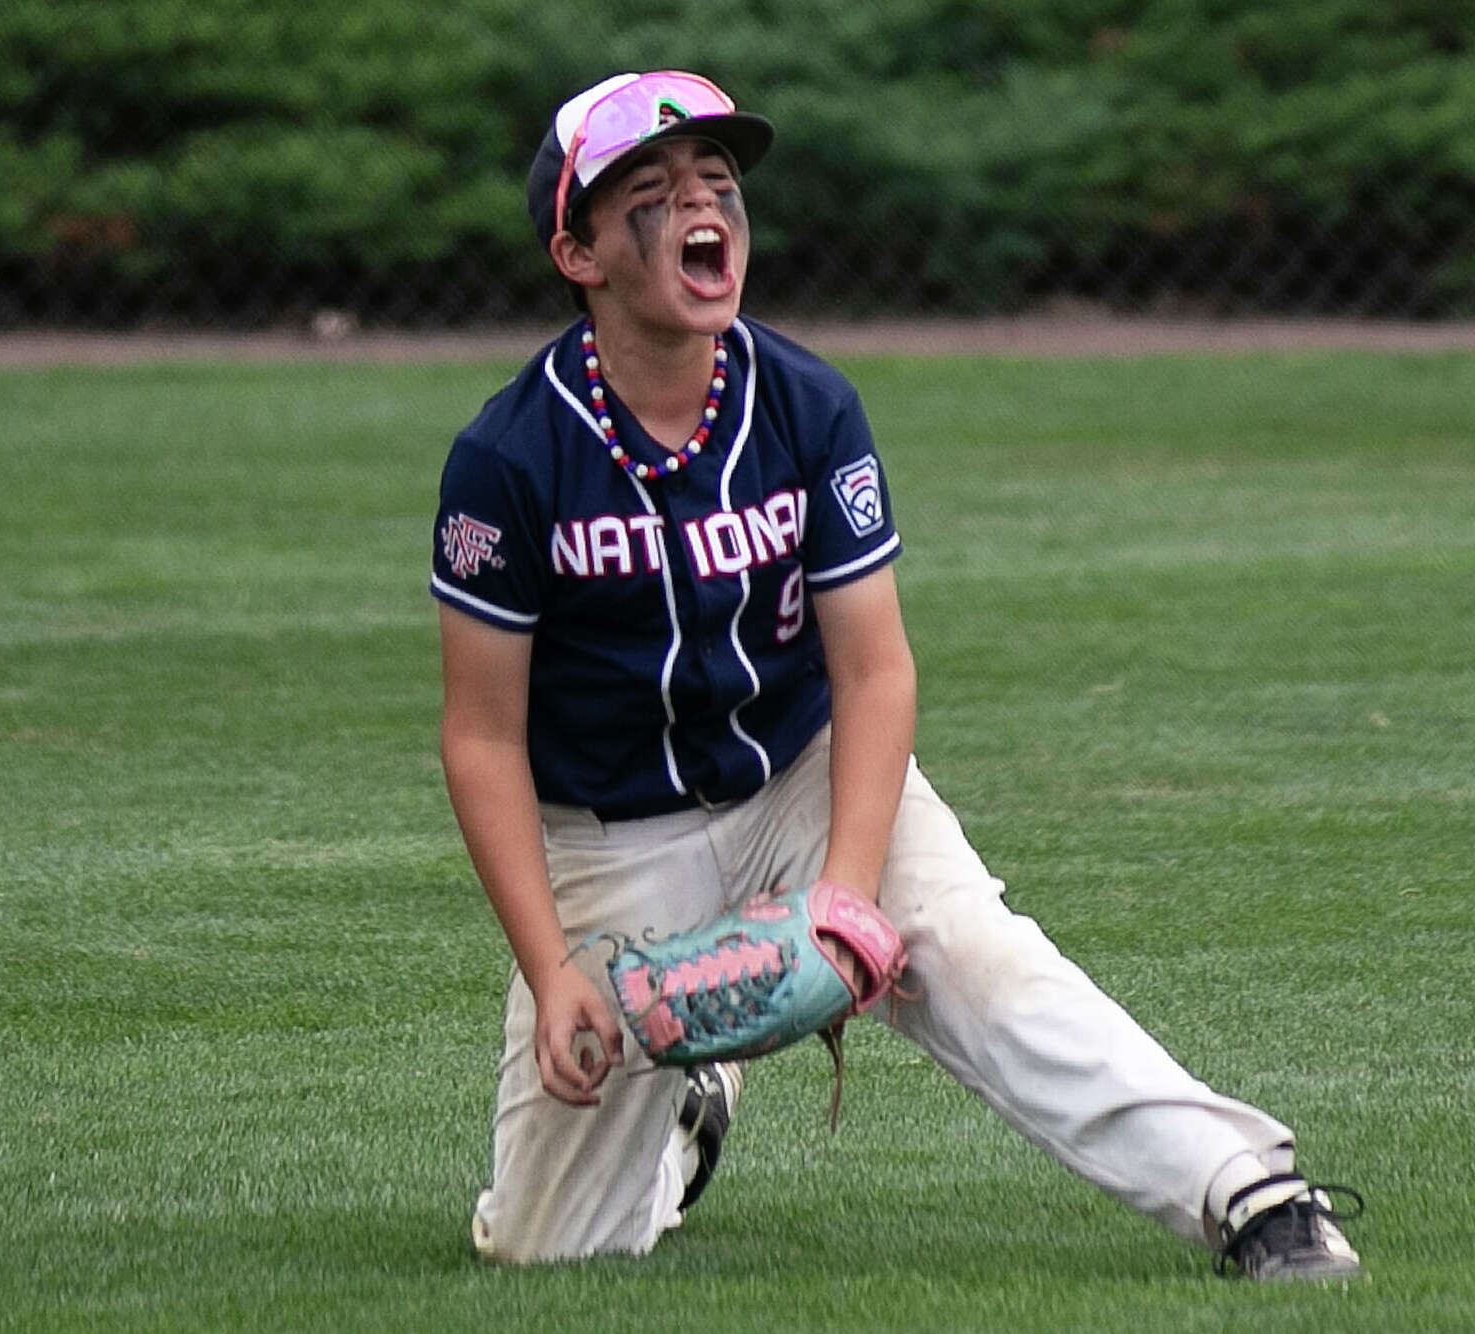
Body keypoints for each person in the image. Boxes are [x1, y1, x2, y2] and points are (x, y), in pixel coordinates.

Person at [430, 69, 1363, 1282]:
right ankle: (683, 1119)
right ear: (579, 251)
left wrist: (850, 895)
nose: (701, 200)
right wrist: (554, 972)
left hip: (809, 774)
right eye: (648, 193)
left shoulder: (805, 405)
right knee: (550, 1250)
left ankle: (1247, 1189)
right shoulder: (510, 456)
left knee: (971, 950)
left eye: (717, 180)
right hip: (611, 835)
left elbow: (873, 672)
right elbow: (483, 737)